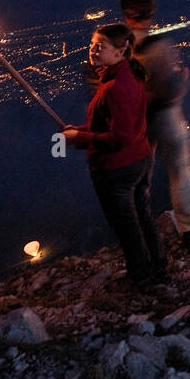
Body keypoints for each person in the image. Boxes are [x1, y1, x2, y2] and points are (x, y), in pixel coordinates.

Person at [63, 24, 165, 288]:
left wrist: (80, 138)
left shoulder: (115, 87)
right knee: (142, 215)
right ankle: (158, 265)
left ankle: (141, 276)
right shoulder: (125, 77)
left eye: (101, 46)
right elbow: (117, 127)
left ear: (121, 52)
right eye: (93, 44)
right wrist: (80, 130)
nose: (94, 50)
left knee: (126, 224)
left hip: (119, 166)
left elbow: (120, 137)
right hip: (139, 159)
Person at [120, 0, 190, 245]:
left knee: (140, 177)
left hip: (137, 120)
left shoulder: (119, 48)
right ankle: (188, 226)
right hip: (166, 116)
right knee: (179, 171)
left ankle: (140, 232)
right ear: (150, 15)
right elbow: (172, 87)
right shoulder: (159, 48)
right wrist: (183, 77)